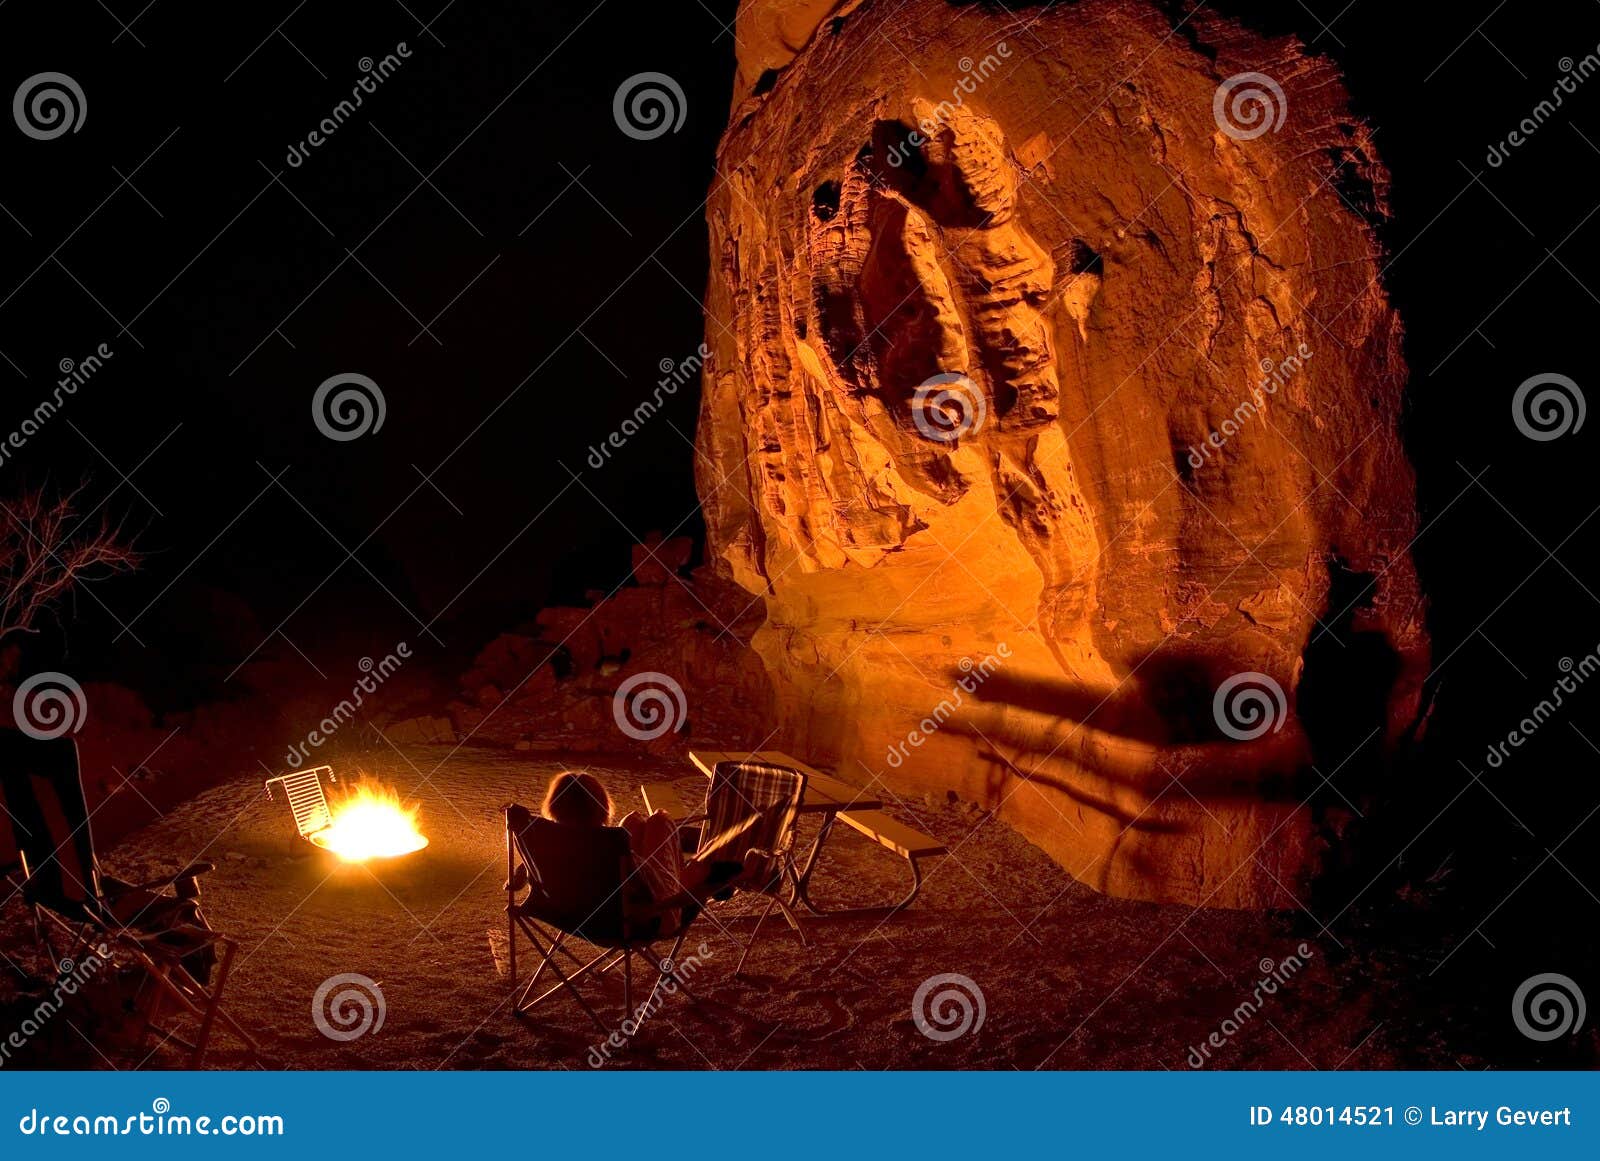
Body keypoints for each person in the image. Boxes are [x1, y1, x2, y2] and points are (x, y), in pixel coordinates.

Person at [539, 771, 762, 915]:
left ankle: (721, 870)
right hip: (645, 916)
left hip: (582, 914)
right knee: (659, 821)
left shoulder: (547, 841)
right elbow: (660, 894)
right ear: (601, 806)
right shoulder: (610, 843)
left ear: (554, 805)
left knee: (634, 820)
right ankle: (735, 874)